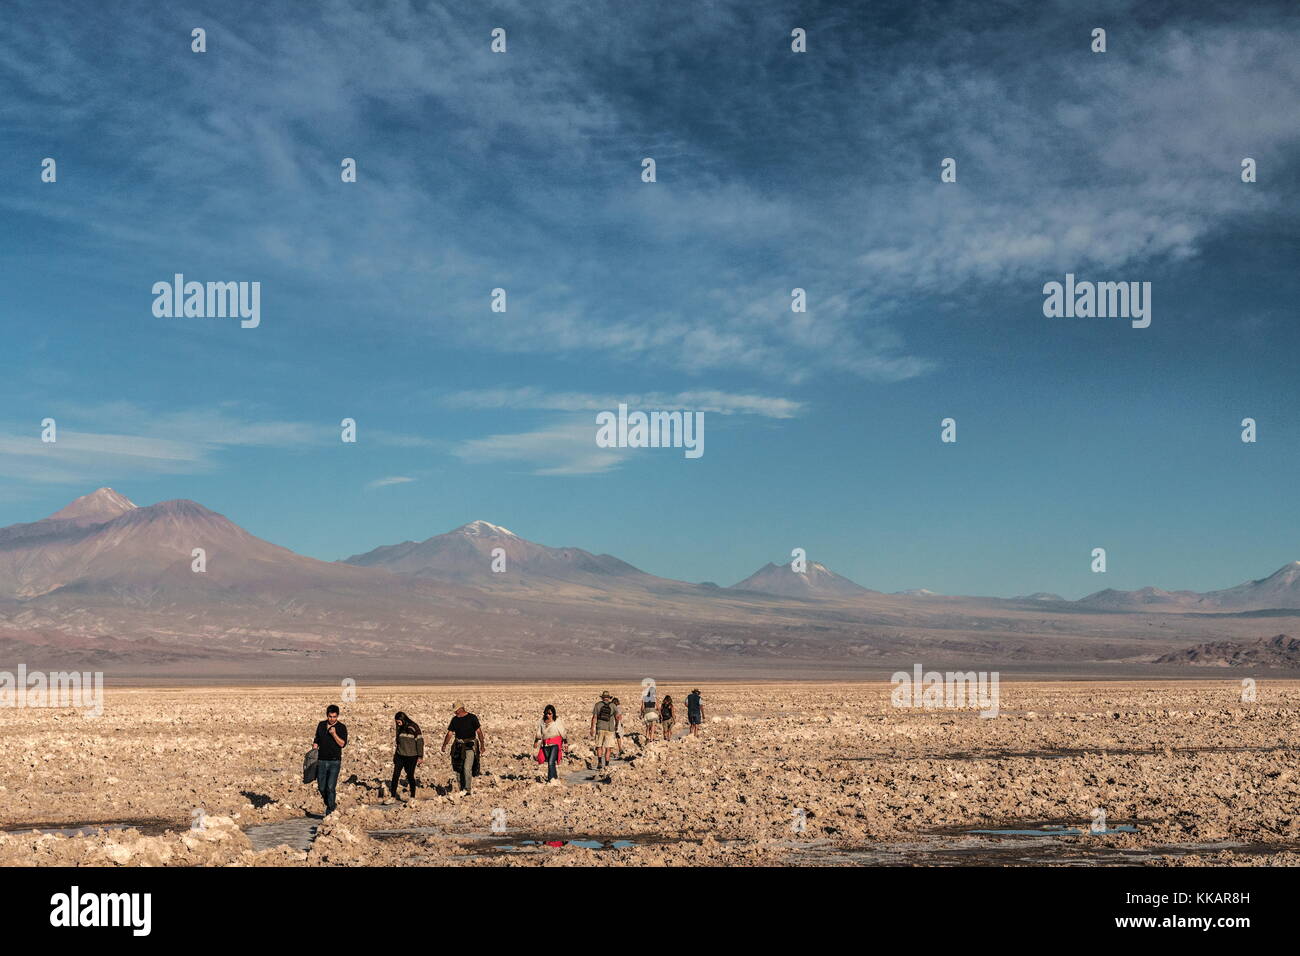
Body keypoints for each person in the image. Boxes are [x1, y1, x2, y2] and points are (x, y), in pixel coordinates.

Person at [311, 704, 348, 815]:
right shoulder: (321, 725)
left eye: (334, 717)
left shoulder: (342, 727)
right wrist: (315, 745)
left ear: (338, 716)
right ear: (327, 715)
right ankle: (331, 804)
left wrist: (334, 734)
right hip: (321, 761)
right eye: (330, 716)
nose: (332, 719)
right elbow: (317, 738)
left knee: (330, 787)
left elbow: (342, 744)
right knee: (322, 787)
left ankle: (330, 810)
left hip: (334, 761)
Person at [441, 701, 486, 793]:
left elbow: (479, 732)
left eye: (456, 710)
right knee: (458, 769)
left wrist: (482, 745)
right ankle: (462, 789)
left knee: (467, 768)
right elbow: (449, 733)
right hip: (458, 747)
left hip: (470, 746)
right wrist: (444, 744)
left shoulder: (472, 718)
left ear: (461, 709)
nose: (455, 712)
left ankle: (468, 790)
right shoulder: (454, 720)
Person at [391, 711, 424, 799]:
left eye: (399, 722)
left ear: (403, 719)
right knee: (395, 775)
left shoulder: (414, 727)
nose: (398, 724)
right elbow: (398, 743)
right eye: (397, 723)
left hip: (411, 756)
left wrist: (420, 756)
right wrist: (395, 755)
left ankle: (412, 796)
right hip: (400, 755)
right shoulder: (399, 728)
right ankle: (392, 796)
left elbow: (420, 741)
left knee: (410, 776)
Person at [533, 704, 566, 783]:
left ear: (553, 713)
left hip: (555, 744)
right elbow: (539, 733)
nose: (548, 715)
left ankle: (550, 779)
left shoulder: (557, 721)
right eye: (546, 713)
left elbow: (563, 732)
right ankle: (555, 777)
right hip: (545, 745)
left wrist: (565, 742)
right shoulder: (542, 722)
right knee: (550, 762)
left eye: (550, 714)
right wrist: (536, 742)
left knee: (551, 762)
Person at [588, 691, 620, 770]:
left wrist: (592, 728)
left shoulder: (597, 705)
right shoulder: (613, 705)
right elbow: (618, 717)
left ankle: (599, 762)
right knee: (608, 748)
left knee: (599, 746)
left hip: (600, 727)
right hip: (610, 729)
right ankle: (607, 764)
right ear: (609, 698)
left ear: (602, 697)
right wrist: (616, 725)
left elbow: (594, 717)